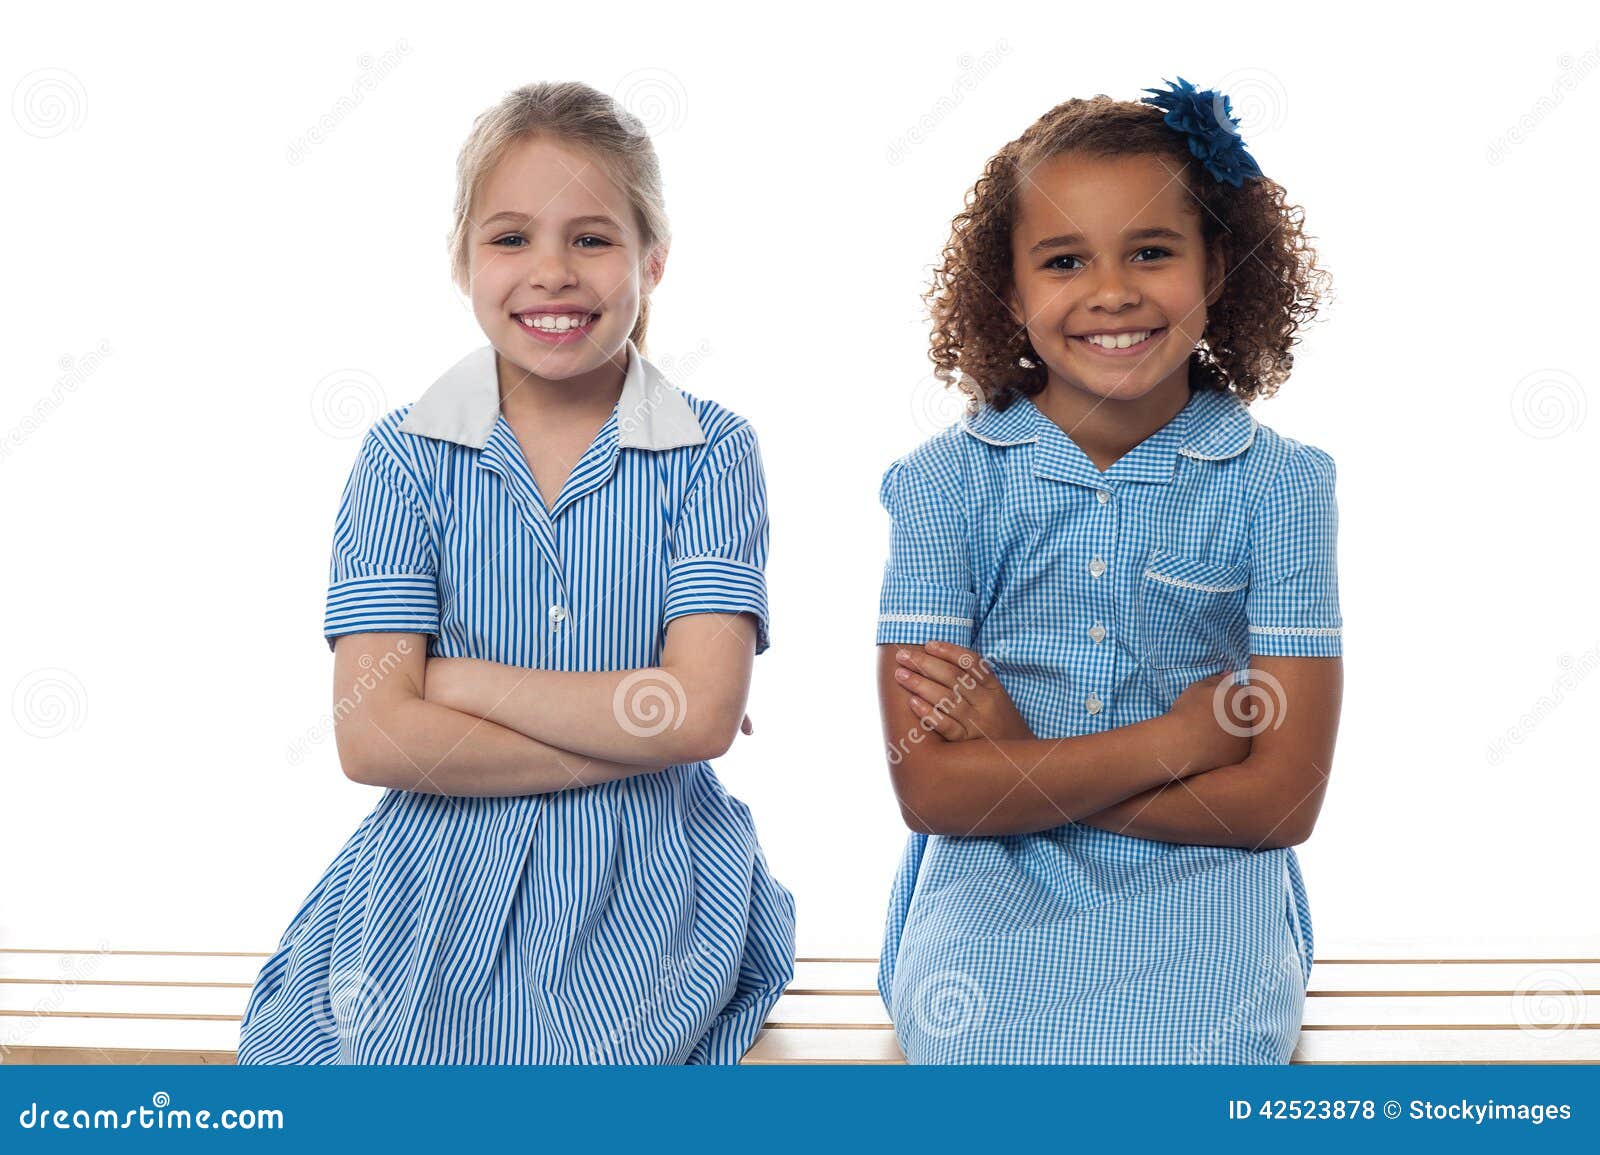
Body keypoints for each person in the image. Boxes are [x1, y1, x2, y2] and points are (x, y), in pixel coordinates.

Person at [238, 81, 794, 1064]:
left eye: (592, 238)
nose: (552, 272)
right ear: (462, 260)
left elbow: (700, 718)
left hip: (645, 882)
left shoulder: (711, 452)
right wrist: (637, 731)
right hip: (431, 883)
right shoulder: (403, 458)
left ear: (652, 259)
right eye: (510, 238)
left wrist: (459, 684)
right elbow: (372, 736)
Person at [873, 77, 1343, 1064]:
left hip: (1210, 870)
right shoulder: (942, 487)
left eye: (1151, 251)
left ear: (1216, 266)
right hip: (992, 877)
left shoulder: (1282, 487)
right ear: (1010, 292)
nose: (1112, 291)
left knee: (1199, 1058)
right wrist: (1179, 740)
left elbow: (1282, 802)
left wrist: (1017, 759)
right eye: (1063, 260)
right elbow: (934, 793)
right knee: (977, 1053)